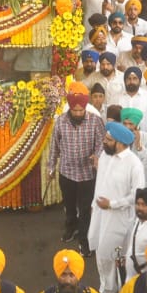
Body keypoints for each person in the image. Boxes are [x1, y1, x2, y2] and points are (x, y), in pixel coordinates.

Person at [89, 121, 144, 293]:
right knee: (99, 251)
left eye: (108, 139)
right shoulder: (105, 156)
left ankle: (122, 291)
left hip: (119, 217)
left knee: (114, 255)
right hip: (99, 213)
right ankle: (107, 288)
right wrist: (94, 205)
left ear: (120, 143)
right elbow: (100, 183)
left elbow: (137, 195)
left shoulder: (134, 164)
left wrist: (112, 204)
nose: (104, 142)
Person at [48, 84, 104, 257]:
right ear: (70, 108)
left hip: (88, 174)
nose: (78, 113)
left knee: (86, 208)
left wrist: (96, 156)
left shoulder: (95, 121)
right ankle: (70, 228)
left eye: (81, 110)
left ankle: (84, 238)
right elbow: (54, 146)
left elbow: (101, 143)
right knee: (70, 205)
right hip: (67, 172)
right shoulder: (61, 121)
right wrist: (51, 167)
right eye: (75, 110)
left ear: (85, 107)